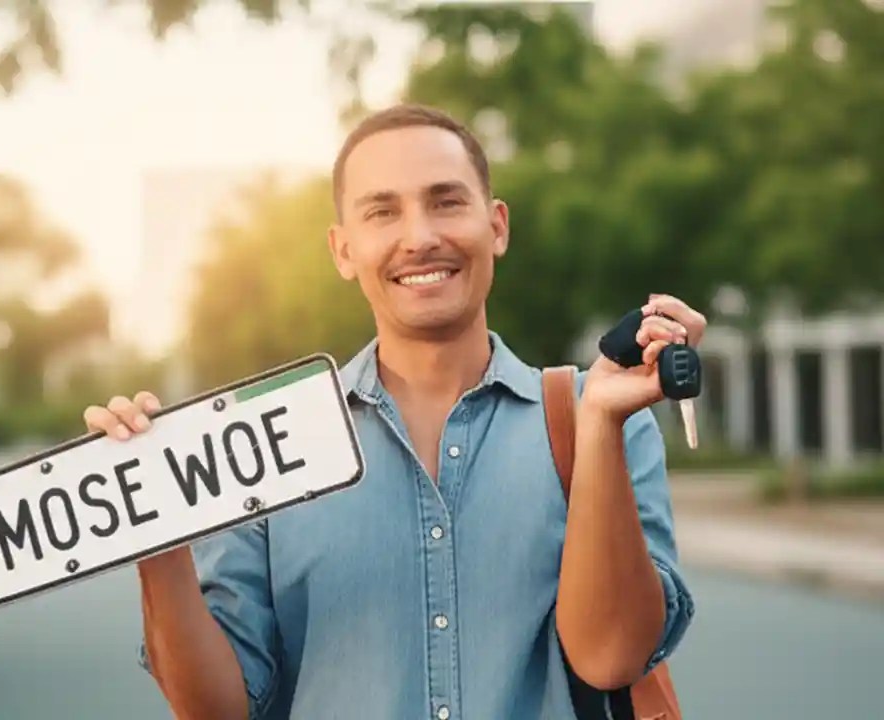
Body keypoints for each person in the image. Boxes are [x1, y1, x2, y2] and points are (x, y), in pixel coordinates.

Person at [82, 103, 700, 720]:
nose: (419, 236)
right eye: (382, 212)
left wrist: (598, 427)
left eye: (446, 202)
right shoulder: (263, 445)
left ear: (497, 226)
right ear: (343, 250)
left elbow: (615, 656)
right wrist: (157, 543)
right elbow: (216, 710)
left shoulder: (604, 420)